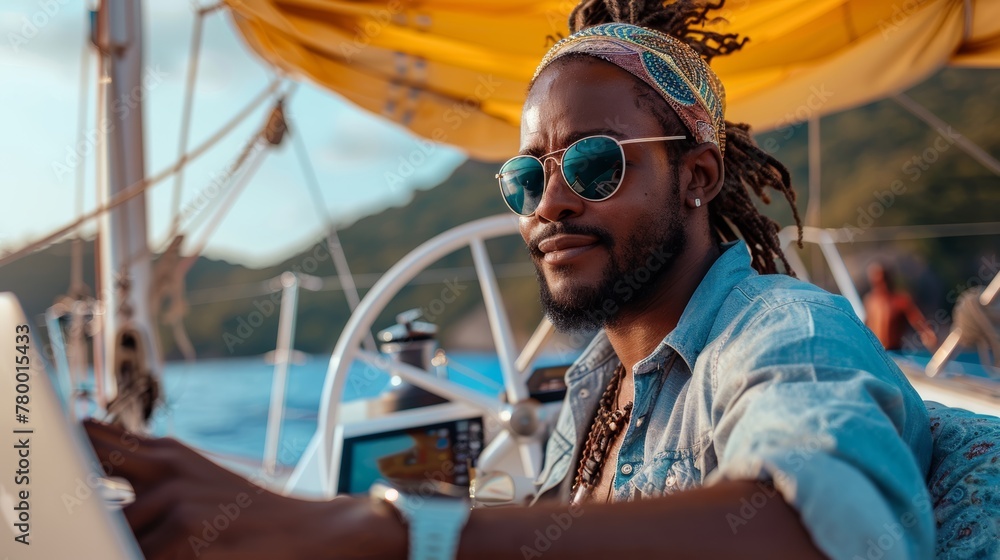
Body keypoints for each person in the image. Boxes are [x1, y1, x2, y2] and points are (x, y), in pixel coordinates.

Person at [85, 1, 936, 558]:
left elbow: (830, 531)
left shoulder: (785, 331)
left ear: (698, 178)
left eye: (595, 163)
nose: (550, 204)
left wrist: (385, 533)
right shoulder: (595, 386)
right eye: (528, 180)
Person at [863, 261, 938, 351]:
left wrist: (928, 335)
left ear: (889, 279)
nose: (882, 285)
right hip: (875, 353)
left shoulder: (900, 300)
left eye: (883, 280)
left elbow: (919, 322)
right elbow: (866, 325)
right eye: (877, 282)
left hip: (894, 353)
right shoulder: (870, 301)